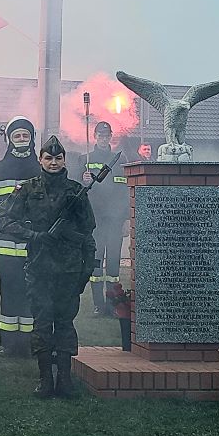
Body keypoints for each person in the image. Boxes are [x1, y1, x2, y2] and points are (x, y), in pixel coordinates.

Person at [0, 135, 96, 398]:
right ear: (40, 160)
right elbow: (4, 219)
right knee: (42, 323)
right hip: (39, 267)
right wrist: (34, 236)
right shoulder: (27, 189)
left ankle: (64, 378)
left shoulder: (76, 191)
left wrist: (86, 267)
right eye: (49, 158)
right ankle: (44, 379)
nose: (54, 162)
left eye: (58, 158)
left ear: (64, 161)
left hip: (68, 269)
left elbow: (88, 230)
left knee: (64, 322)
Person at [0, 116, 40, 357]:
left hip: (35, 247)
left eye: (25, 135)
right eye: (17, 136)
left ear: (32, 139)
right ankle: (9, 344)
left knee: (33, 295)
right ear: (9, 140)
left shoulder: (42, 170)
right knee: (9, 294)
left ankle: (30, 343)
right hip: (5, 247)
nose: (21, 139)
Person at [74, 120, 131, 316]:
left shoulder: (120, 160)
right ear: (95, 137)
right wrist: (83, 180)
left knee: (113, 265)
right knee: (96, 264)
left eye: (107, 135)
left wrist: (126, 219)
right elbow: (76, 189)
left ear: (111, 137)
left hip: (115, 220)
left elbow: (125, 191)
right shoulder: (85, 159)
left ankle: (113, 305)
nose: (104, 138)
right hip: (95, 220)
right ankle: (99, 305)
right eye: (100, 135)